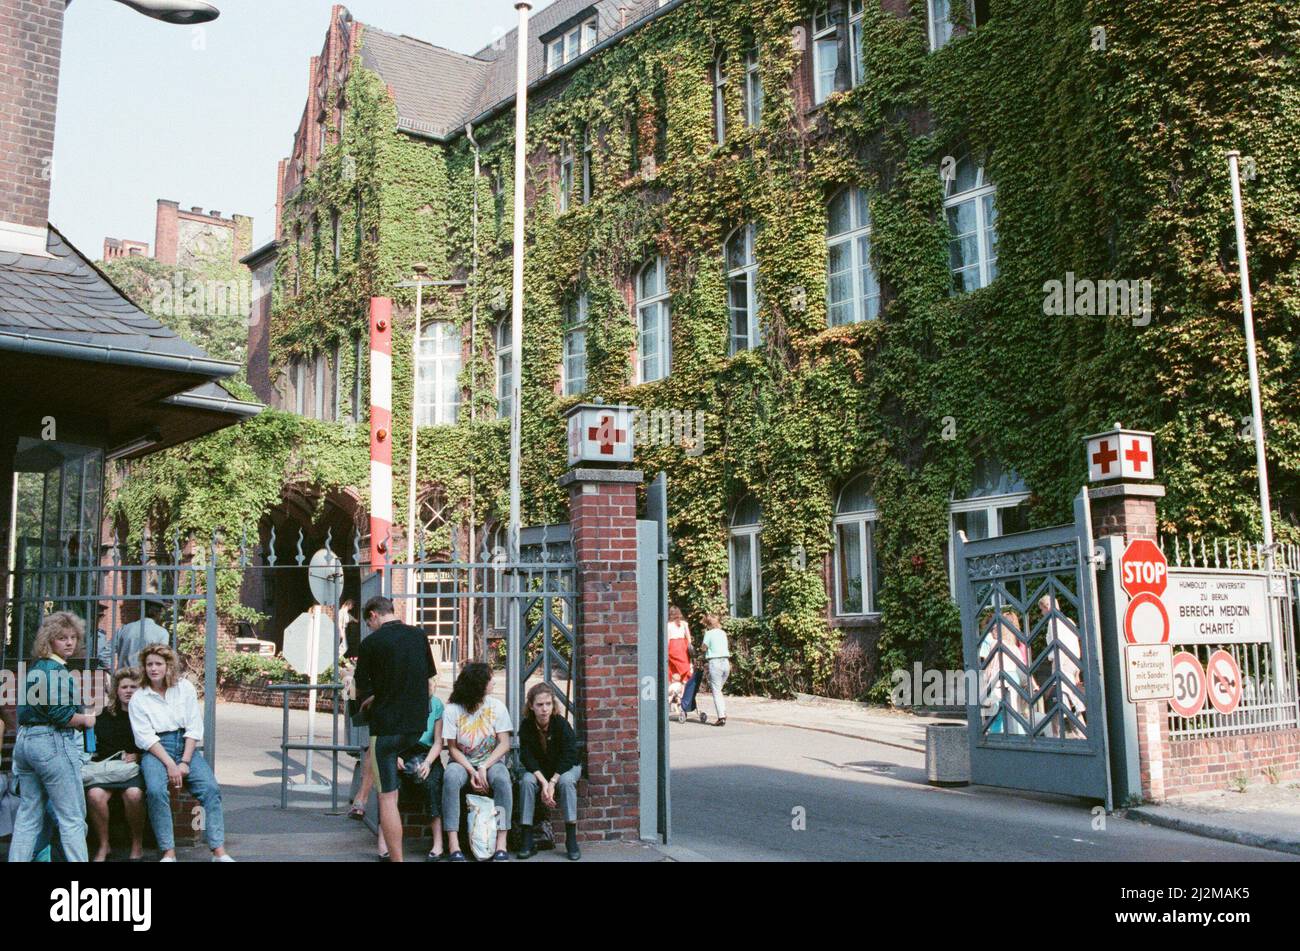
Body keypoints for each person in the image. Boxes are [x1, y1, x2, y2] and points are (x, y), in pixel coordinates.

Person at [130, 644, 233, 862]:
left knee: (211, 789)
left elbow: (194, 727)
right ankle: (168, 852)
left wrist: (184, 762)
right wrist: (170, 764)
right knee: (156, 792)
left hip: (185, 745)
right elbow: (145, 737)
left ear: (168, 666)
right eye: (149, 664)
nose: (153, 669)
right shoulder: (140, 697)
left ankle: (218, 852)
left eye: (159, 664)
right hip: (157, 750)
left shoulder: (184, 687)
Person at [7, 611, 95, 863]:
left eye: (73, 637)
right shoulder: (56, 671)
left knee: (28, 816)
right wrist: (87, 719)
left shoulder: (36, 669)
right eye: (61, 638)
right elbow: (62, 715)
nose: (69, 642)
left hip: (26, 743)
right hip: (51, 742)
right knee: (73, 818)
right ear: (49, 641)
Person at [353, 596, 435, 863]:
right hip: (416, 726)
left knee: (387, 798)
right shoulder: (419, 636)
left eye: (369, 621)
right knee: (390, 789)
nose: (370, 626)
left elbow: (362, 692)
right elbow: (427, 680)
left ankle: (397, 860)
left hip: (386, 729)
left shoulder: (370, 644)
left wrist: (373, 697)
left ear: (374, 615)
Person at [441, 662, 514, 862]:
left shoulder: (496, 706)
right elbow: (453, 748)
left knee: (502, 779)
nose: (493, 682)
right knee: (451, 777)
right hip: (462, 762)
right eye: (490, 679)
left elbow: (504, 744)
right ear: (478, 685)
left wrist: (483, 766)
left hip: (490, 762)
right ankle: (453, 844)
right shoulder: (452, 710)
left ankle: (501, 843)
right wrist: (472, 771)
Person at [86, 667, 147, 862]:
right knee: (94, 794)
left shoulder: (146, 715)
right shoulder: (104, 715)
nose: (128, 691)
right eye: (124, 687)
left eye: (133, 687)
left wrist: (138, 755)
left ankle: (137, 843)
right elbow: (97, 747)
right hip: (107, 769)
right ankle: (104, 845)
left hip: (132, 771)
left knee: (134, 794)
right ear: (116, 691)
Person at [516, 683, 581, 861]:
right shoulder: (526, 726)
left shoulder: (560, 724)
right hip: (540, 771)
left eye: (548, 704)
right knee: (527, 781)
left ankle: (571, 838)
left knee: (567, 782)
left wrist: (552, 781)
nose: (544, 709)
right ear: (531, 706)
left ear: (553, 705)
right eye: (539, 705)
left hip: (565, 768)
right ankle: (527, 838)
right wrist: (544, 782)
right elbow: (527, 757)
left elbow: (570, 755)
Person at [397, 689, 446, 861]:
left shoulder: (437, 705)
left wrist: (427, 763)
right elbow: (392, 735)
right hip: (403, 752)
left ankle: (438, 843)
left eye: (431, 682)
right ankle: (384, 843)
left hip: (427, 754)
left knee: (433, 784)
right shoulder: (402, 700)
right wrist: (396, 755)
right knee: (389, 786)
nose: (428, 686)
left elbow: (438, 741)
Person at [113, 597, 169, 672]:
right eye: (160, 612)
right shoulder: (162, 632)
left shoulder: (123, 629)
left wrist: (116, 672)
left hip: (124, 679)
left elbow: (105, 653)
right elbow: (162, 658)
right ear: (156, 612)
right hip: (146, 679)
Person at [701, 613, 730, 727]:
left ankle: (721, 717)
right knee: (719, 689)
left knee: (716, 691)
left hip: (715, 663)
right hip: (726, 662)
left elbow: (704, 647)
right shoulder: (723, 633)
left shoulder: (708, 633)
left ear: (708, 624)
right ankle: (723, 712)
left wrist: (702, 647)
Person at [666, 606, 693, 722]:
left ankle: (674, 695)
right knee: (684, 673)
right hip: (682, 648)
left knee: (672, 673)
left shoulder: (668, 625)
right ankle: (682, 695)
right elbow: (689, 640)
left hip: (673, 648)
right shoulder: (684, 624)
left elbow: (667, 640)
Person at [93, 604, 114, 673]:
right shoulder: (82, 633)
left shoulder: (102, 634)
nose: (100, 619)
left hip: (100, 672)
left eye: (101, 616)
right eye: (98, 616)